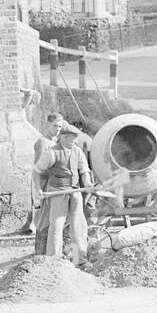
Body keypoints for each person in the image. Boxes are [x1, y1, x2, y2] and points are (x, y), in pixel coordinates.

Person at [32, 111, 91, 266]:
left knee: (78, 226)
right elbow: (36, 171)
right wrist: (38, 189)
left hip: (75, 192)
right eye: (72, 138)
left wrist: (88, 183)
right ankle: (54, 260)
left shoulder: (77, 152)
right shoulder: (52, 153)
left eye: (75, 138)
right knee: (56, 226)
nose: (74, 141)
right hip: (57, 193)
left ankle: (80, 259)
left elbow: (84, 170)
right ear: (64, 137)